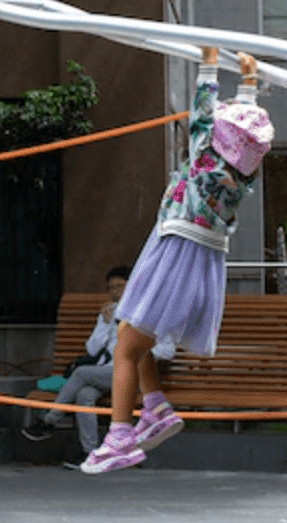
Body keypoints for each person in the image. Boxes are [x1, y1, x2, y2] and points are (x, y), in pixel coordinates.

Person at [80, 46, 272, 475]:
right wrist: (248, 83)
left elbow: (203, 107)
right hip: (202, 259)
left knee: (125, 346)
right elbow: (246, 128)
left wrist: (208, 61)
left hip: (176, 250)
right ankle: (155, 406)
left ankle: (119, 437)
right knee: (135, 325)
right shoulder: (243, 173)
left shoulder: (204, 153)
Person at [21, 266, 175, 454]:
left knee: (81, 373)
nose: (115, 292)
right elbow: (92, 349)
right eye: (111, 288)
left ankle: (49, 421)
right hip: (106, 373)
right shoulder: (110, 313)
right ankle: (90, 453)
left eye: (120, 286)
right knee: (84, 395)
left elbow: (168, 351)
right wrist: (105, 323)